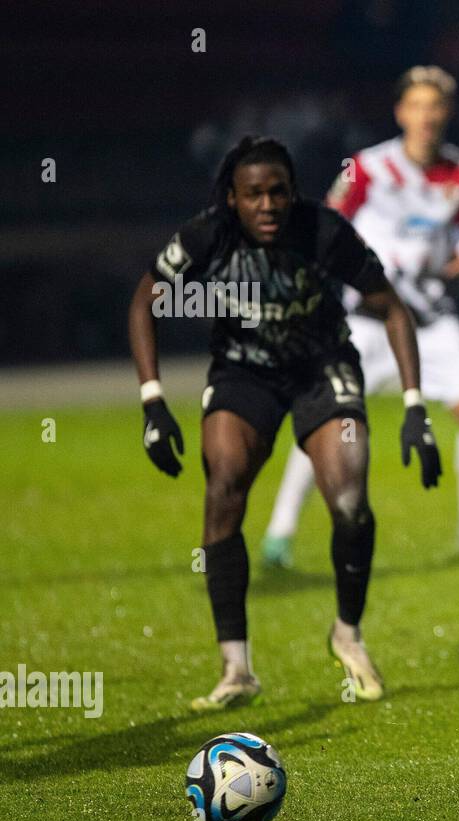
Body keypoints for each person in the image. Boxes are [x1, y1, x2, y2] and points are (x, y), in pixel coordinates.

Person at [128, 136, 441, 710]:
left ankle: (347, 632)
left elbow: (391, 306)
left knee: (349, 505)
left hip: (322, 369)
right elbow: (145, 298)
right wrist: (153, 402)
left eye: (278, 192)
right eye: (254, 195)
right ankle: (236, 668)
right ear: (232, 198)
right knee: (224, 488)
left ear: (293, 193)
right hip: (243, 374)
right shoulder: (207, 233)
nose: (268, 205)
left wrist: (415, 407)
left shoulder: (324, 231)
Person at [261, 65, 459, 567]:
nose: (426, 117)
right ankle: (279, 535)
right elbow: (325, 223)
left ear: (447, 114)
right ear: (400, 112)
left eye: (435, 107)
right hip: (368, 321)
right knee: (325, 423)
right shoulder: (366, 167)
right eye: (416, 106)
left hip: (430, 318)